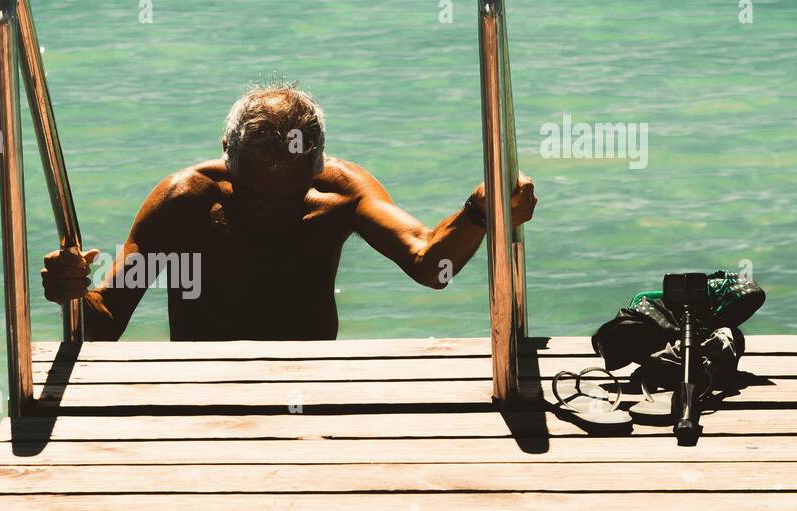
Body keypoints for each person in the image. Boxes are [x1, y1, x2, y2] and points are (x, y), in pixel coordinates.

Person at [41, 84, 536, 340]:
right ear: (225, 154)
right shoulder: (184, 202)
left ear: (319, 164)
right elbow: (108, 319)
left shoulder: (343, 193)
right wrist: (73, 292)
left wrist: (481, 211)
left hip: (312, 383)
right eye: (257, 195)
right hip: (199, 390)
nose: (274, 209)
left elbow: (431, 264)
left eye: (291, 196)